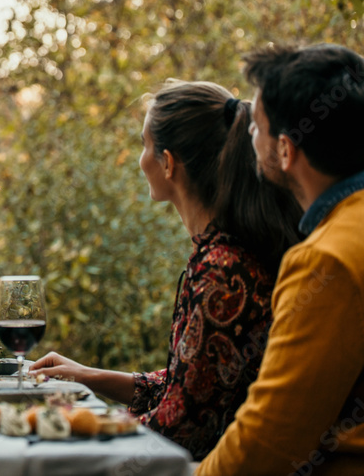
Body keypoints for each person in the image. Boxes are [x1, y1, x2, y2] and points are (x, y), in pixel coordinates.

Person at [29, 80, 303, 459]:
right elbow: (191, 389)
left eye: (145, 146)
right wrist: (87, 376)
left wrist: (75, 426)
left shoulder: (221, 270)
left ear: (169, 162)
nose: (141, 159)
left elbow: (181, 428)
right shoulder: (226, 250)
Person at [198, 44, 364, 475]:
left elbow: (267, 444)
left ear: (286, 152)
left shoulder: (327, 261)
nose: (248, 136)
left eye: (256, 128)